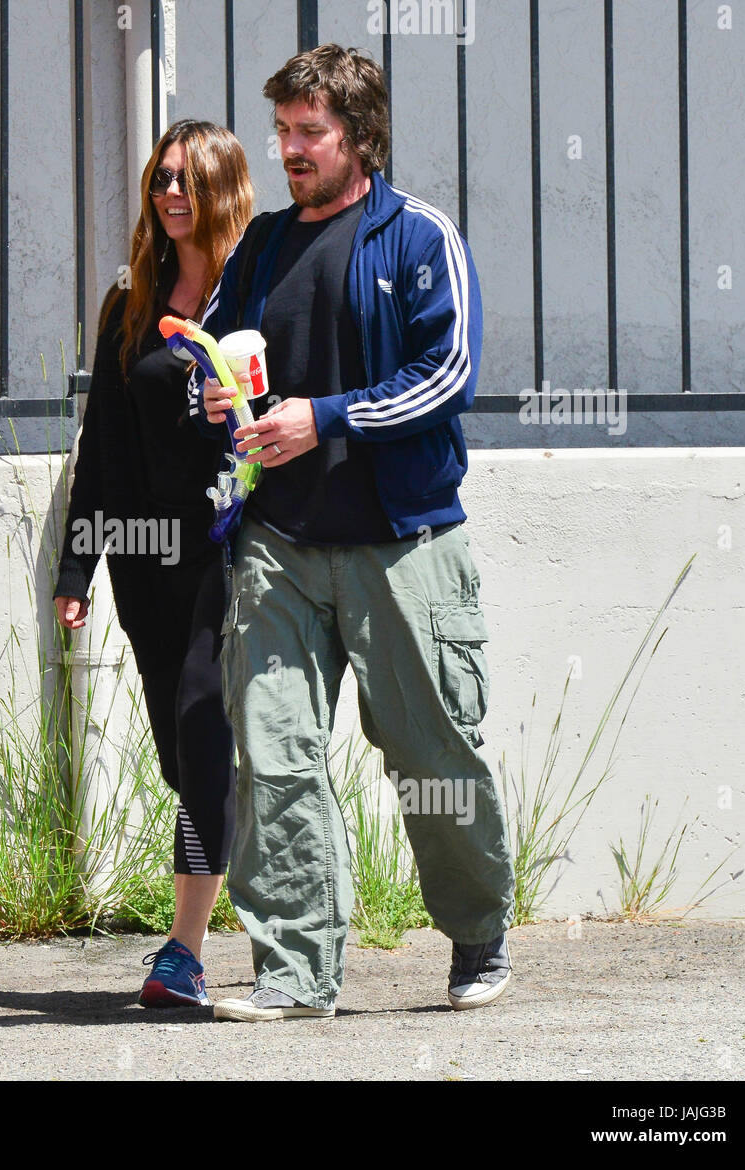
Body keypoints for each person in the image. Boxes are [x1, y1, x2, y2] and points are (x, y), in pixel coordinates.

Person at [192, 45, 516, 1022]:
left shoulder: (418, 237)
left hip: (400, 542)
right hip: (276, 544)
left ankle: (477, 931)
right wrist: (216, 395)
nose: (290, 149)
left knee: (430, 756)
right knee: (274, 753)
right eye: (282, 131)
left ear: (360, 137)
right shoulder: (260, 248)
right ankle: (295, 970)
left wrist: (323, 418)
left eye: (310, 132)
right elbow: (214, 352)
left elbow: (447, 374)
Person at [54, 120, 255, 1007]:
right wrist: (78, 566)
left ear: (221, 187)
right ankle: (234, 864)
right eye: (160, 179)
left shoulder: (256, 293)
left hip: (228, 551)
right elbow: (102, 443)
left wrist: (239, 408)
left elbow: (287, 410)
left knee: (204, 732)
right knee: (182, 759)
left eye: (187, 179)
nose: (171, 193)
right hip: (145, 559)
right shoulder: (129, 303)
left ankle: (184, 950)